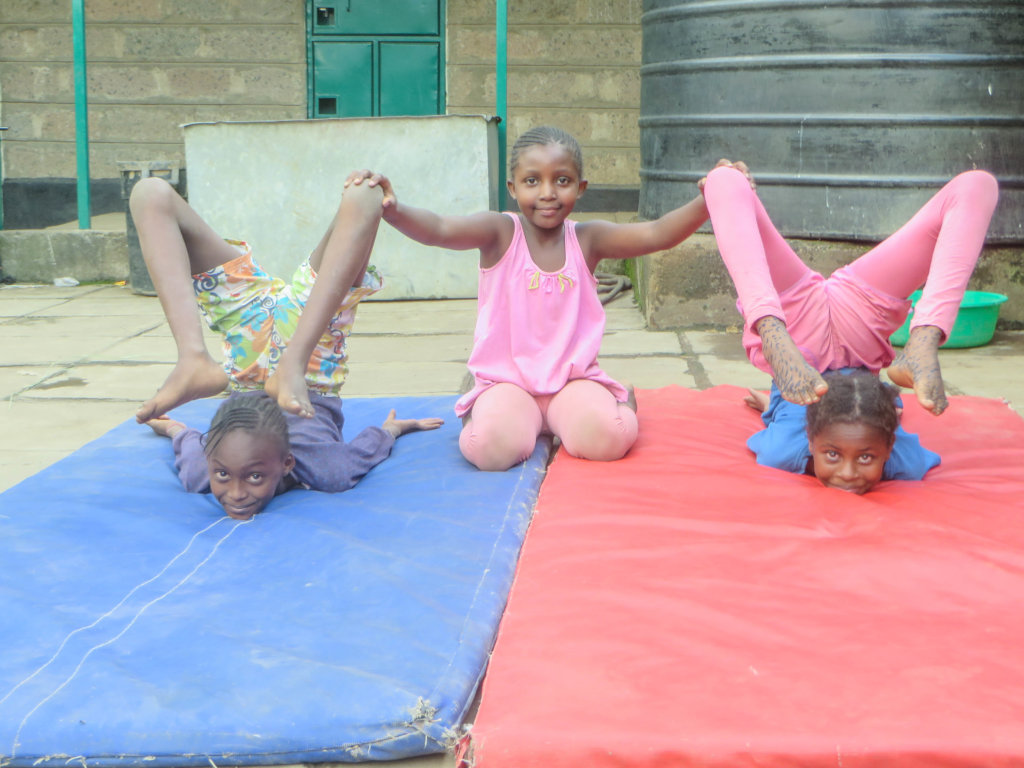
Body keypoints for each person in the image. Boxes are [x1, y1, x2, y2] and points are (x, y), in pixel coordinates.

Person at [348, 125, 719, 471]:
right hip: (508, 385)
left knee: (612, 439)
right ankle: (479, 405)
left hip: (571, 384)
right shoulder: (500, 232)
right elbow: (441, 229)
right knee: (487, 450)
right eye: (532, 181)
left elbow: (655, 234)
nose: (547, 193)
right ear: (512, 187)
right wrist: (393, 209)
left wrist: (707, 202)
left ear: (581, 186)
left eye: (562, 181)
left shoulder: (587, 239)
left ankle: (621, 402)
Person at [130, 175, 443, 518]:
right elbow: (367, 448)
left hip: (247, 342)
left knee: (151, 194)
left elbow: (187, 440)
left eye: (252, 476)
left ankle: (237, 362)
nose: (235, 493)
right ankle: (216, 359)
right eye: (231, 475)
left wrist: (170, 426)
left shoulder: (200, 473)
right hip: (310, 345)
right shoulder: (329, 469)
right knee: (368, 194)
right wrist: (393, 429)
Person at [700, 162, 999, 493]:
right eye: (865, 458)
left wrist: (774, 408)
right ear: (887, 446)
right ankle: (925, 335)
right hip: (862, 320)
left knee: (724, 180)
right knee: (976, 185)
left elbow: (782, 436)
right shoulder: (889, 450)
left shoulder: (784, 453)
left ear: (812, 442)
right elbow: (909, 457)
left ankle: (770, 330)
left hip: (793, 327)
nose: (848, 474)